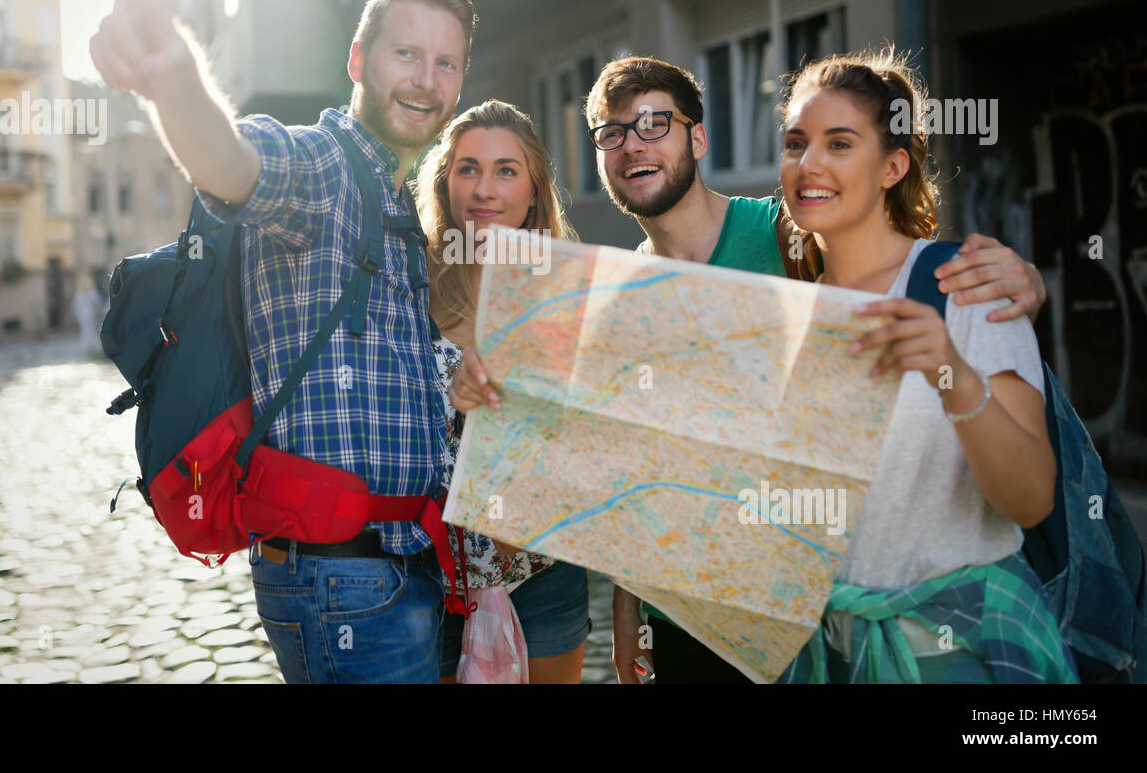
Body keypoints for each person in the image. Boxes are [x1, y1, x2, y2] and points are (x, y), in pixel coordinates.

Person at [448, 54, 1050, 684]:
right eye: (612, 133)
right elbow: (639, 464)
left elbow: (898, 257)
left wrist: (1016, 279)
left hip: (815, 615)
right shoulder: (619, 296)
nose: (632, 145)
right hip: (694, 614)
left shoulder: (794, 235)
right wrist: (632, 604)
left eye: (654, 124)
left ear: (698, 138)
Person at [89, 0, 476, 683]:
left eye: (445, 62)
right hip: (345, 581)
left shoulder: (404, 204)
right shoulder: (322, 165)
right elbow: (231, 161)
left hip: (404, 567)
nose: (425, 79)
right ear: (358, 61)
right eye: (405, 55)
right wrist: (173, 76)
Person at [773, 49, 1075, 682]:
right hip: (832, 657)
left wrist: (950, 373)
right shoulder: (786, 313)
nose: (809, 164)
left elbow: (1031, 499)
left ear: (893, 166)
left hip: (960, 659)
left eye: (839, 143)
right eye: (795, 142)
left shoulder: (965, 285)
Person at [413, 99, 591, 683]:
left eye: (505, 170)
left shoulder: (572, 293)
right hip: (430, 574)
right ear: (446, 184)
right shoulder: (412, 287)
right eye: (467, 169)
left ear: (535, 189)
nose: (483, 189)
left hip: (544, 569)